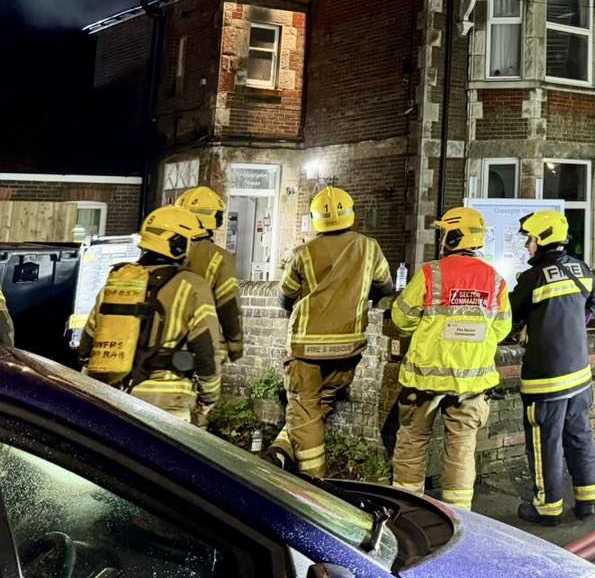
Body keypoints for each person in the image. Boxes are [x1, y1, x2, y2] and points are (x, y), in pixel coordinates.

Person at [390, 206, 511, 510]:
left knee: (412, 443)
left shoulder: (431, 273)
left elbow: (401, 319)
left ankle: (406, 510)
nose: (442, 239)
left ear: (455, 237)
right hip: (471, 384)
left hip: (424, 381)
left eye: (445, 233)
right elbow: (500, 328)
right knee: (461, 449)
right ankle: (459, 518)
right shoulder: (496, 280)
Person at [267, 186, 391, 477]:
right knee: (318, 405)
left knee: (305, 408)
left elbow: (284, 297)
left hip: (305, 347)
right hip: (348, 346)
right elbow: (385, 287)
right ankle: (283, 448)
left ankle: (314, 482)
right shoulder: (369, 247)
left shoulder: (304, 252)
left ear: (315, 219)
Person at [78, 205, 223, 419]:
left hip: (111, 396)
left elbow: (87, 341)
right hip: (167, 404)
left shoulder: (119, 280)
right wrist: (209, 397)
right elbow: (207, 349)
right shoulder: (193, 286)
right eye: (192, 242)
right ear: (178, 244)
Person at [510, 209, 595, 526]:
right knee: (580, 434)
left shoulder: (532, 278)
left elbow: (508, 317)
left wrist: (528, 329)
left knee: (545, 443)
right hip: (579, 374)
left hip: (545, 379)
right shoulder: (582, 269)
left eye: (531, 239)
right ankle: (587, 498)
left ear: (544, 240)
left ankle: (547, 507)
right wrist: (576, 322)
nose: (527, 246)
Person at [175, 186, 245, 363]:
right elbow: (228, 305)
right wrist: (235, 344)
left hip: (156, 347)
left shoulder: (161, 251)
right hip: (198, 348)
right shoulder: (218, 257)